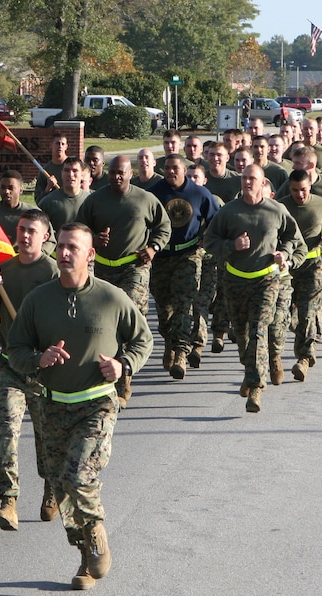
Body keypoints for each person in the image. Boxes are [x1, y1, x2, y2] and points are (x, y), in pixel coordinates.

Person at [6, 222, 153, 590]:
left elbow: (142, 339)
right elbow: (16, 350)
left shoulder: (110, 297)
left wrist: (123, 365)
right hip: (53, 407)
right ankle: (86, 555)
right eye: (63, 247)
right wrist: (40, 359)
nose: (66, 253)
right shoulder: (38, 300)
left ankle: (98, 532)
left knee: (78, 476)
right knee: (61, 488)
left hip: (97, 406)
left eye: (75, 247)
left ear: (90, 255)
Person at [0, 210, 60, 532]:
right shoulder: (4, 270)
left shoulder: (53, 273)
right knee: (7, 431)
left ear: (45, 237)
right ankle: (8, 502)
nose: (24, 236)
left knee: (45, 437)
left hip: (43, 370)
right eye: (22, 229)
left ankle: (51, 487)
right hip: (11, 367)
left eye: (32, 231)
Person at [203, 164, 307, 412]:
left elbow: (294, 238)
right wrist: (231, 246)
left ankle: (257, 388)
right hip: (235, 280)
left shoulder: (275, 210)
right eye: (245, 179)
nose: (247, 182)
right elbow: (209, 241)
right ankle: (251, 370)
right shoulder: (229, 212)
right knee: (242, 336)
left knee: (259, 330)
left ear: (263, 184)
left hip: (266, 281)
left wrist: (285, 254)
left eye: (253, 179)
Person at [76, 156, 170, 407]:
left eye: (122, 173)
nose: (116, 177)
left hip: (134, 268)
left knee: (128, 319)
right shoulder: (95, 200)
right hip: (104, 272)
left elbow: (164, 227)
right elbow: (79, 230)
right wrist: (94, 239)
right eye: (113, 173)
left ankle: (124, 378)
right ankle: (111, 371)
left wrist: (153, 248)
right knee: (108, 324)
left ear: (131, 174)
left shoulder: (145, 199)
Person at [149, 154, 219, 377]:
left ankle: (181, 352)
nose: (171, 172)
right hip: (160, 257)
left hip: (188, 255)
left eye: (175, 168)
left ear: (184, 170)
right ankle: (169, 341)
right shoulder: (154, 193)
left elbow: (216, 220)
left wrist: (205, 239)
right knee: (164, 307)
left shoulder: (199, 193)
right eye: (167, 168)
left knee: (184, 303)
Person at [279, 169, 322, 379]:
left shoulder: (321, 203)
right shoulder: (282, 206)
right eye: (295, 190)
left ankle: (304, 356)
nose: (300, 195)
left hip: (314, 263)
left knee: (308, 308)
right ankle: (309, 337)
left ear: (310, 187)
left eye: (304, 190)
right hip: (288, 266)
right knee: (289, 312)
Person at [37, 157, 90, 234]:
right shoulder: (48, 203)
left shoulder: (91, 200)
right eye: (67, 170)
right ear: (61, 173)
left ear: (82, 175)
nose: (71, 174)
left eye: (75, 171)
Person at [0, 170, 41, 247]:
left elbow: (50, 240)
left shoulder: (33, 213)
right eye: (3, 187)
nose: (6, 191)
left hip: (23, 256)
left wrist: (35, 254)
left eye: (11, 188)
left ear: (20, 190)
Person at [33, 133, 69, 200]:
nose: (60, 146)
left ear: (66, 147)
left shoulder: (74, 167)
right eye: (57, 143)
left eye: (63, 144)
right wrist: (48, 188)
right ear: (51, 145)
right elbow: (38, 199)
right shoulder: (45, 171)